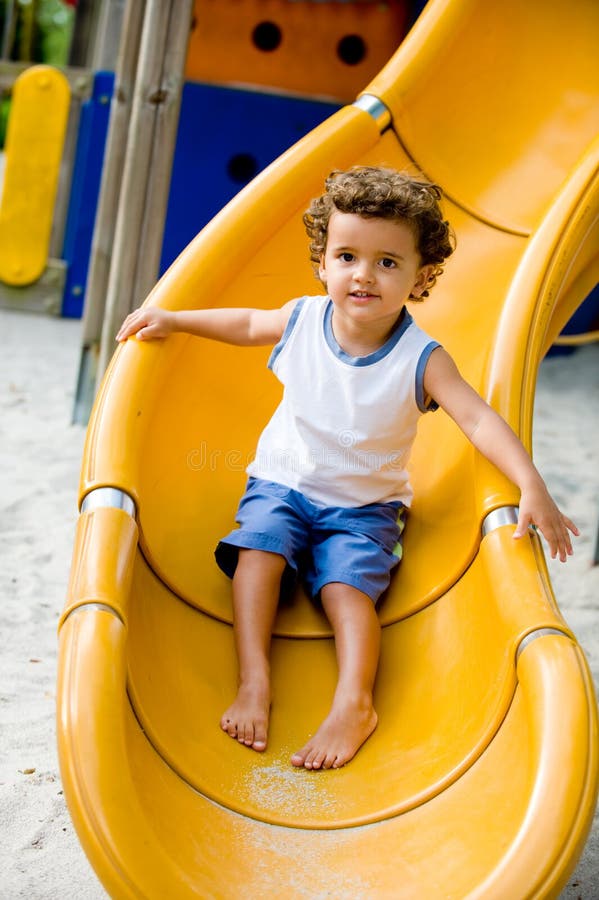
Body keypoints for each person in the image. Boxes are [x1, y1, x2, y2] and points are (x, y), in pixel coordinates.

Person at [116, 166, 578, 771]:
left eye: (388, 263)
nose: (364, 274)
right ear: (323, 262)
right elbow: (249, 324)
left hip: (364, 507)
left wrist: (532, 485)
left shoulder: (422, 358)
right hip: (281, 483)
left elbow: (479, 420)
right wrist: (175, 318)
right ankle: (254, 679)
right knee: (256, 554)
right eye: (348, 256)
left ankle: (354, 702)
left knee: (346, 591)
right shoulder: (304, 319)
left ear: (421, 276)